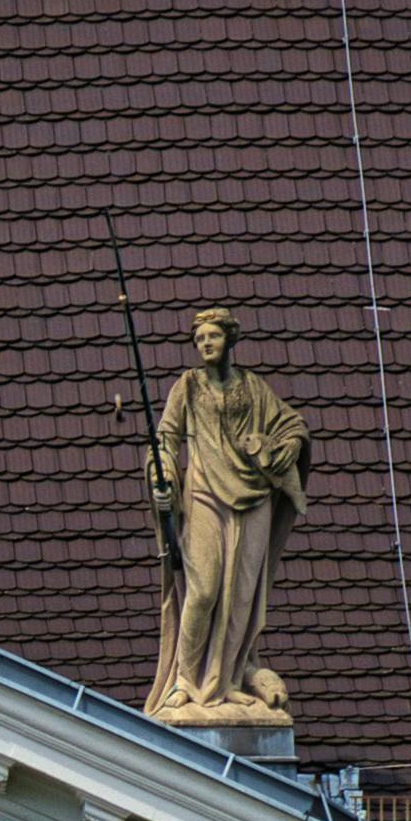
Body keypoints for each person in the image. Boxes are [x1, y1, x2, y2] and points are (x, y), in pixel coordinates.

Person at [142, 306, 305, 726]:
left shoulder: (253, 388)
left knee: (242, 597)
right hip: (203, 494)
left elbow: (294, 428)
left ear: (230, 340)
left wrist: (275, 448)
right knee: (203, 591)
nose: (205, 344)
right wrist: (160, 476)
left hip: (253, 498)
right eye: (199, 340)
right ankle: (185, 680)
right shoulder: (189, 386)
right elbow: (166, 437)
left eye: (212, 336)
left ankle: (229, 679)